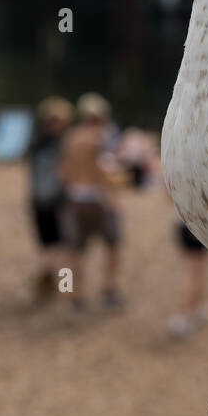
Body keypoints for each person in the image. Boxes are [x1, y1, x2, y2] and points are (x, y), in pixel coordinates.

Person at [58, 93, 126, 310]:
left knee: (74, 252)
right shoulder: (100, 137)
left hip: (74, 198)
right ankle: (109, 289)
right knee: (113, 246)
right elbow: (102, 171)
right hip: (97, 199)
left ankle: (72, 295)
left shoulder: (70, 137)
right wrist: (112, 198)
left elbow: (63, 171)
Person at [26, 97, 73, 303]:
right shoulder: (62, 144)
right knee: (63, 245)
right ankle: (64, 286)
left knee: (47, 244)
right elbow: (63, 173)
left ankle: (48, 278)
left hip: (36, 199)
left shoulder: (35, 143)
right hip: (57, 200)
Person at [167, 216, 208, 338]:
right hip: (190, 226)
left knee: (201, 271)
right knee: (194, 274)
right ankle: (181, 318)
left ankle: (199, 307)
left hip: (199, 225)